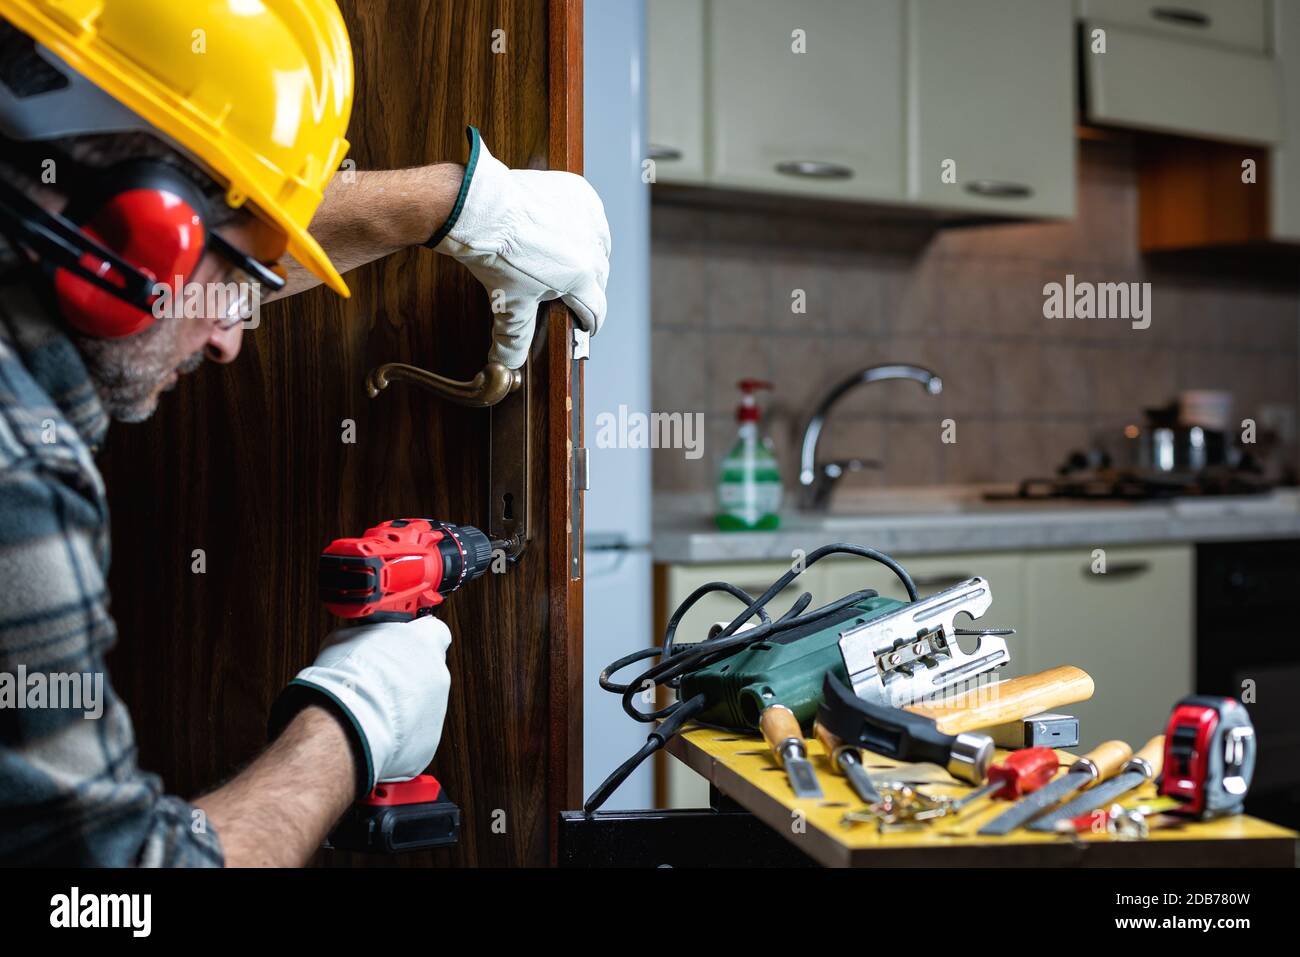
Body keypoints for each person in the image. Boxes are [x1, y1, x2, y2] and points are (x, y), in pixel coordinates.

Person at [0, 0, 609, 866]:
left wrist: (451, 203)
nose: (230, 339)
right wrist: (350, 721)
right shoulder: (21, 473)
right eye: (243, 274)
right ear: (143, 229)